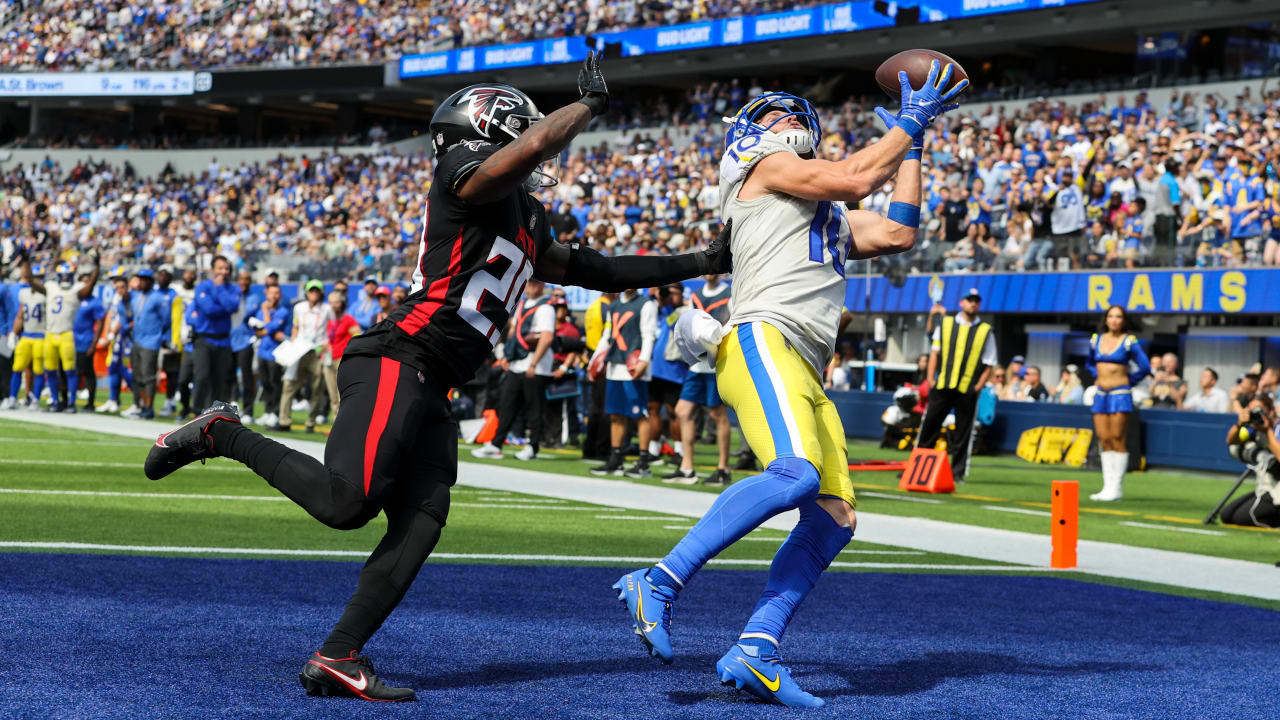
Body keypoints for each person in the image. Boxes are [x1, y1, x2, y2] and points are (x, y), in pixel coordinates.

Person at [146, 54, 733, 702]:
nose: (534, 153)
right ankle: (221, 431)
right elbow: (524, 152)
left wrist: (703, 259)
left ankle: (338, 655)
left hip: (435, 383)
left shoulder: (528, 217)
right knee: (347, 502)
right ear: (491, 133)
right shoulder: (460, 174)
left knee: (423, 519)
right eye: (520, 136)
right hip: (399, 357)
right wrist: (587, 108)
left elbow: (600, 269)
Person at [614, 62, 966, 707]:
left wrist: (914, 143)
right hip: (761, 338)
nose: (784, 122)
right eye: (773, 116)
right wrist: (910, 123)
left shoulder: (820, 207)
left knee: (836, 515)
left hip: (805, 363)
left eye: (789, 115)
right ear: (756, 132)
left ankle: (758, 645)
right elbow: (859, 176)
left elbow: (898, 230)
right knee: (796, 474)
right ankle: (658, 581)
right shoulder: (765, 169)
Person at [472, 277, 556, 460]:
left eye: (536, 283)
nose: (532, 286)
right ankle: (496, 443)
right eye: (530, 283)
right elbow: (513, 331)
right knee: (507, 404)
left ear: (542, 285)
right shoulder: (523, 304)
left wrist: (534, 364)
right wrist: (508, 357)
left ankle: (533, 446)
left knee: (534, 408)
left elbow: (547, 337)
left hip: (535, 365)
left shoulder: (546, 307)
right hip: (518, 362)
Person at [917, 288, 997, 477]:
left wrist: (978, 387)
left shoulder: (986, 331)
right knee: (929, 426)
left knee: (963, 433)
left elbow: (989, 363)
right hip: (942, 385)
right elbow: (934, 353)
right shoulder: (945, 324)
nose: (973, 303)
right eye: (970, 300)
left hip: (967, 389)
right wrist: (930, 379)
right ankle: (917, 466)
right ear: (962, 302)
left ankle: (957, 473)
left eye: (976, 300)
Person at [664, 273, 733, 485]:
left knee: (717, 414)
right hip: (697, 363)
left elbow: (730, 323)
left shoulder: (729, 293)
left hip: (716, 360)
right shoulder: (694, 295)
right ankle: (687, 467)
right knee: (682, 411)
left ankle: (723, 468)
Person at [588, 286, 659, 477]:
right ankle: (615, 459)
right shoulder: (615, 305)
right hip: (614, 365)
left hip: (633, 366)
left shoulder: (646, 305)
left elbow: (648, 335)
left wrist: (644, 361)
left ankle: (643, 463)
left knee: (639, 414)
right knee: (615, 415)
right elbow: (607, 336)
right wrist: (594, 360)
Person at [1085, 304, 1152, 501]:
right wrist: (1095, 375)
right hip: (1101, 392)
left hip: (1120, 392)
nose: (1114, 320)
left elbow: (1145, 365)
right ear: (1105, 319)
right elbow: (1089, 362)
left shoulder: (1129, 341)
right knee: (1103, 438)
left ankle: (1117, 487)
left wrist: (1129, 381)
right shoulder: (1096, 340)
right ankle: (1107, 486)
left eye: (1118, 317)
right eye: (1111, 316)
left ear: (1124, 320)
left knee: (1117, 437)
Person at [25, 255, 99, 413]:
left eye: (68, 275)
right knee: (50, 370)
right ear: (58, 276)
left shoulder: (77, 288)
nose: (65, 278)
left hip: (66, 333)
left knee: (70, 370)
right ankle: (55, 400)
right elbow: (30, 280)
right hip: (50, 334)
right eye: (63, 276)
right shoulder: (50, 286)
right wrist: (26, 262)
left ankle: (71, 402)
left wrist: (96, 268)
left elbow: (91, 284)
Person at [277, 280, 333, 433]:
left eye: (317, 290)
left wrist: (326, 346)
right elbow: (295, 327)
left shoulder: (327, 309)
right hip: (300, 349)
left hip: (317, 350)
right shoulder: (299, 308)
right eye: (311, 290)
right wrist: (293, 344)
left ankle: (310, 422)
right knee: (289, 384)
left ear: (321, 292)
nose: (314, 293)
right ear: (307, 292)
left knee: (317, 387)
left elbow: (331, 328)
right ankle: (284, 421)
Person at [191, 255, 243, 413]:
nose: (224, 272)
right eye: (220, 268)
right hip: (204, 339)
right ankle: (197, 410)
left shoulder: (234, 288)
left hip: (223, 341)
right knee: (202, 376)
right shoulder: (203, 286)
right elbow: (209, 309)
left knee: (220, 380)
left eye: (226, 268)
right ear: (213, 269)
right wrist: (223, 307)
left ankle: (214, 412)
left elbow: (233, 306)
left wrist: (219, 289)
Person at [646, 282, 689, 467]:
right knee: (653, 409)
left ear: (681, 294)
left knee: (673, 413)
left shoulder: (685, 313)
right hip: (656, 369)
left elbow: (675, 326)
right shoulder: (663, 311)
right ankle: (652, 450)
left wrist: (668, 304)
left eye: (674, 293)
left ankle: (679, 451)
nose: (670, 296)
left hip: (674, 370)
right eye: (668, 294)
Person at [1220, 394, 1280, 528]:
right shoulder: (1255, 427)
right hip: (1268, 486)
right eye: (1251, 410)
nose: (1256, 414)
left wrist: (1268, 430)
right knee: (1227, 515)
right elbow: (1231, 440)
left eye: (1259, 410)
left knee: (1244, 518)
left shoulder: (1277, 427)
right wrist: (1239, 423)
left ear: (1270, 411)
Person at [131, 268, 171, 420]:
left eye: (144, 279)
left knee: (148, 376)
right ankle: (142, 405)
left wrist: (158, 335)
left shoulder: (157, 298)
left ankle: (149, 407)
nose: (141, 282)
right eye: (140, 279)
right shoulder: (137, 297)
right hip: (137, 339)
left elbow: (166, 319)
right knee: (138, 375)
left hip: (150, 341)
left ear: (150, 281)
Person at [8, 262, 48, 409]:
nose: (37, 280)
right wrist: (14, 332)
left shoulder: (46, 294)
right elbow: (20, 315)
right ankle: (13, 398)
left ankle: (36, 399)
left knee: (38, 370)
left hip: (40, 335)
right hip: (26, 335)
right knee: (17, 367)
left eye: (39, 277)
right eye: (35, 277)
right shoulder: (23, 293)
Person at [251, 284, 290, 427]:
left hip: (276, 353)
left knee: (275, 383)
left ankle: (275, 412)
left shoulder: (283, 311)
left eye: (276, 293)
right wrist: (266, 331)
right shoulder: (261, 311)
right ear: (267, 294)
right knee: (265, 383)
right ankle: (267, 411)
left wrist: (266, 312)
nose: (273, 296)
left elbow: (268, 327)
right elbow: (258, 331)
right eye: (271, 293)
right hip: (263, 351)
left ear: (280, 295)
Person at [72, 270, 107, 412]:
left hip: (85, 340)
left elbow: (100, 324)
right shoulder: (74, 298)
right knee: (70, 371)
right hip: (70, 340)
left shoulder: (95, 302)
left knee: (86, 372)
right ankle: (68, 399)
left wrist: (93, 343)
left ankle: (90, 402)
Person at [230, 270, 260, 423]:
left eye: (247, 279)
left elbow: (249, 314)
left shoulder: (254, 297)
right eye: (242, 279)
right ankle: (232, 403)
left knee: (247, 376)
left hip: (245, 340)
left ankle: (248, 410)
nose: (244, 282)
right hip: (230, 339)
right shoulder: (232, 295)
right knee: (230, 375)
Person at [324, 290, 359, 417]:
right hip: (327, 358)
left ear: (342, 303)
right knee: (332, 394)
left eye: (336, 302)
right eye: (331, 303)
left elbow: (357, 336)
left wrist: (349, 352)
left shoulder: (348, 319)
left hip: (341, 359)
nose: (333, 306)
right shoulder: (327, 319)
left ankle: (344, 420)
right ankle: (335, 420)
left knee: (341, 393)